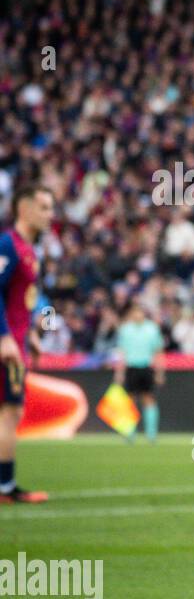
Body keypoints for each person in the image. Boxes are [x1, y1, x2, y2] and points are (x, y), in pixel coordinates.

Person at [0, 185, 54, 503]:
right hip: (7, 346)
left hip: (17, 340)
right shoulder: (9, 245)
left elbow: (21, 301)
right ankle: (5, 487)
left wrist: (31, 332)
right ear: (24, 209)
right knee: (10, 411)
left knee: (9, 412)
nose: (50, 215)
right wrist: (5, 336)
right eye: (44, 207)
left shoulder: (31, 251)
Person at [113, 302, 166, 444]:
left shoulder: (152, 329)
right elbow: (121, 352)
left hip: (146, 367)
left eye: (140, 312)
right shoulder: (125, 330)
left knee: (148, 399)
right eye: (135, 312)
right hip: (131, 367)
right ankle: (130, 433)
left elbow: (158, 352)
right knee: (130, 401)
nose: (137, 315)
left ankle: (151, 434)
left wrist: (160, 372)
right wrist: (119, 372)